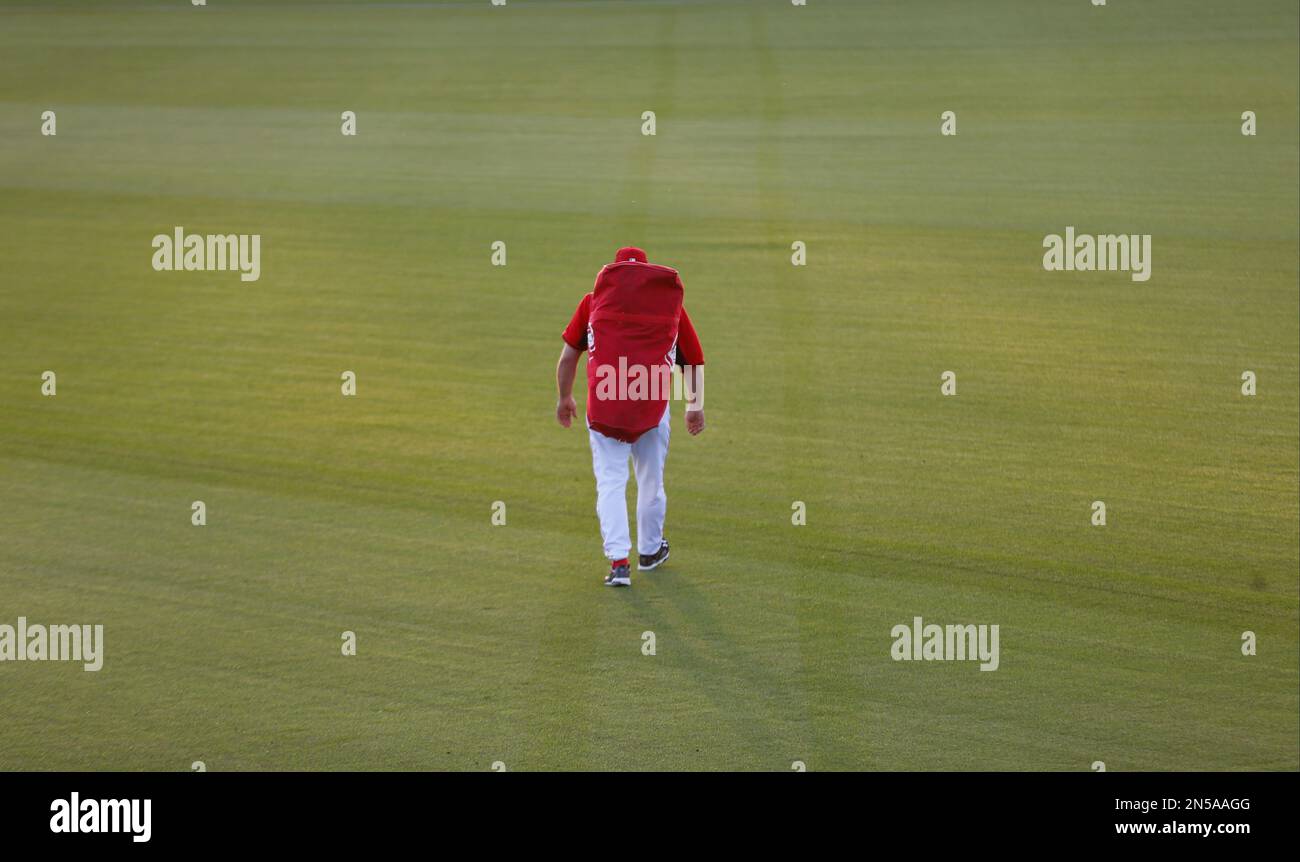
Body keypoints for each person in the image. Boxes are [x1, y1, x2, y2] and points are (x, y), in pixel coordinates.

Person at [555, 247, 706, 587]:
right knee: (651, 479)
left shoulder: (592, 302)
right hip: (651, 403)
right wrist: (694, 405)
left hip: (606, 400)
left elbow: (567, 359)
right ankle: (650, 552)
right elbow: (691, 360)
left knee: (610, 481)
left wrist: (565, 398)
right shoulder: (669, 306)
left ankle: (619, 562)